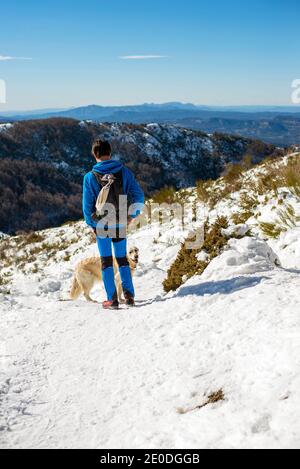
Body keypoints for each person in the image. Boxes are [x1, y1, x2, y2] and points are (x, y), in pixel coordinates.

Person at [82, 139, 144, 310]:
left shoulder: (89, 177)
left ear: (95, 154)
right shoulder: (124, 172)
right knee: (122, 259)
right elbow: (139, 196)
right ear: (110, 153)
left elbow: (87, 208)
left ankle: (112, 299)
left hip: (101, 225)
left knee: (106, 262)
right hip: (120, 223)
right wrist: (132, 215)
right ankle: (129, 296)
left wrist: (92, 224)